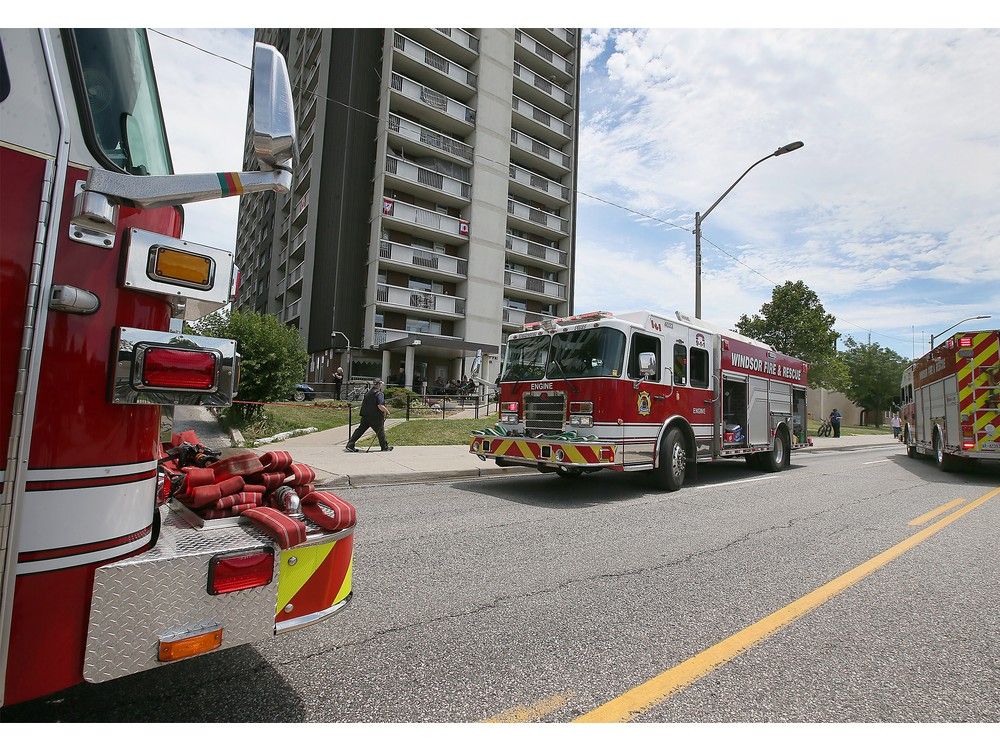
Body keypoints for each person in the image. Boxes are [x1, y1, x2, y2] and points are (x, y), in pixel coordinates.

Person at [345, 380, 393, 452]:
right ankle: (384, 447)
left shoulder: (368, 393)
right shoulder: (379, 394)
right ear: (379, 385)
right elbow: (380, 405)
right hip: (375, 417)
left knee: (360, 430)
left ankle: (350, 444)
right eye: (381, 384)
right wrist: (387, 411)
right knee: (380, 432)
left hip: (365, 416)